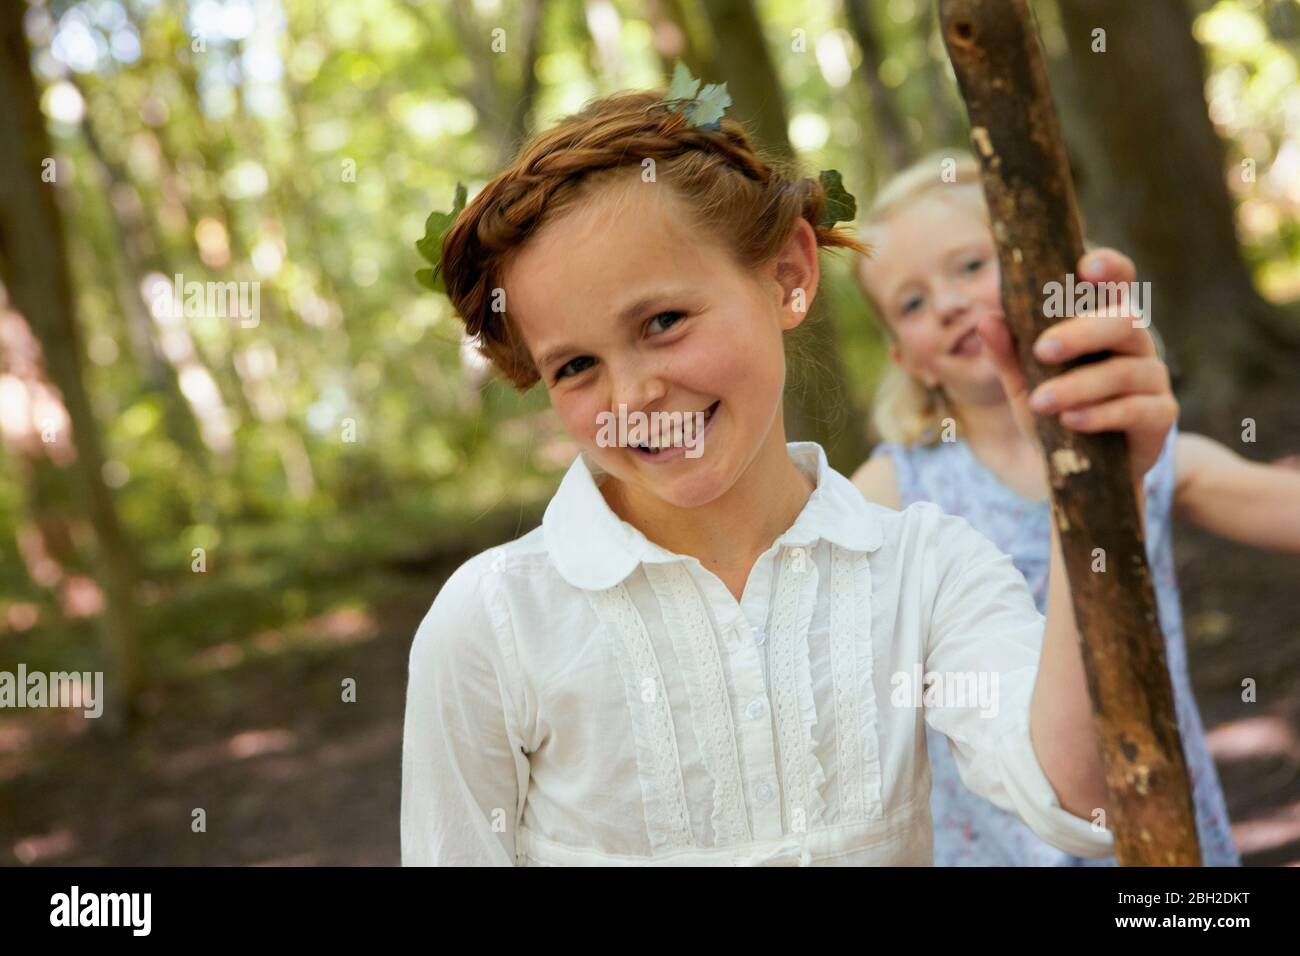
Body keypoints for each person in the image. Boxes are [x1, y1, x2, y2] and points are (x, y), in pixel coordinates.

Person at [400, 90, 1176, 865]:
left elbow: (1081, 797)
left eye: (663, 322)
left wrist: (1097, 494)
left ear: (788, 276)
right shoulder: (494, 622)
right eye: (575, 366)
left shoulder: (925, 570)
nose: (633, 396)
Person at [851, 152, 1300, 866]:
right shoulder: (894, 491)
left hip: (1164, 824)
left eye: (971, 266)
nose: (947, 302)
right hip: (1006, 841)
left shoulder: (1137, 449)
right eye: (911, 302)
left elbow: (1272, 501)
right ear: (909, 360)